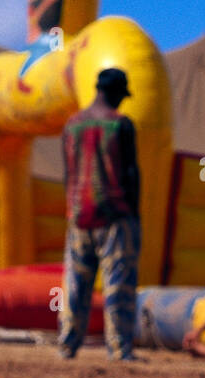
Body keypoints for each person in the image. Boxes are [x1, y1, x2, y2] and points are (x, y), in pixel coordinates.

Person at [59, 68, 141, 360]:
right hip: (115, 215)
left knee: (75, 283)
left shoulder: (72, 125)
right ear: (115, 92)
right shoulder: (120, 125)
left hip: (79, 216)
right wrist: (135, 214)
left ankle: (68, 344)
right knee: (118, 282)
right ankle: (119, 348)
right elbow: (131, 173)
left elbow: (69, 173)